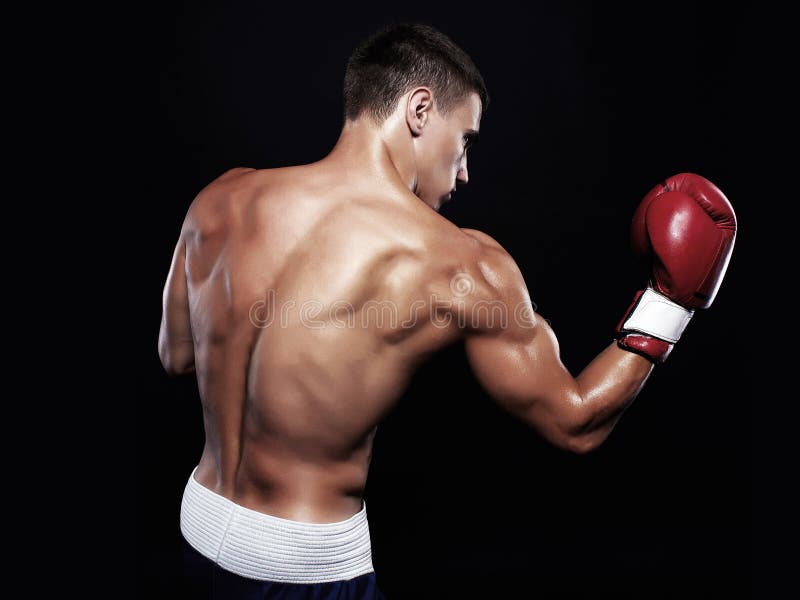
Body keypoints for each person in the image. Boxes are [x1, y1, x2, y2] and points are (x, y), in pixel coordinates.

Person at [158, 22, 736, 599]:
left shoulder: (219, 198)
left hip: (197, 528)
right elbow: (574, 423)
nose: (464, 172)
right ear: (419, 109)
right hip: (304, 568)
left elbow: (177, 356)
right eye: (466, 140)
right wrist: (670, 302)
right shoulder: (459, 265)